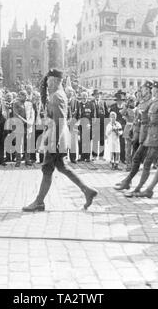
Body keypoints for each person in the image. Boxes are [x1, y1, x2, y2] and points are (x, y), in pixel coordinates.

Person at [22, 69, 98, 212]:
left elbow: (60, 120)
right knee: (62, 167)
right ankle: (87, 190)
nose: (48, 84)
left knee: (47, 169)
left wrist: (53, 142)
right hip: (58, 137)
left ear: (57, 81)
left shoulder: (56, 96)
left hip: (55, 137)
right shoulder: (58, 95)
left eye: (50, 81)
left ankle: (39, 202)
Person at [125, 81, 158, 196]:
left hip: (156, 137)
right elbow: (145, 116)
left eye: (154, 89)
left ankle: (139, 188)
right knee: (144, 159)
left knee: (147, 163)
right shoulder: (154, 102)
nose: (152, 90)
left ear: (157, 90)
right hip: (148, 135)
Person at [114, 81, 153, 191]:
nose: (141, 91)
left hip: (146, 135)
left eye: (144, 89)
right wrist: (132, 129)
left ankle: (130, 182)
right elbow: (137, 118)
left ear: (149, 90)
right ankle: (128, 181)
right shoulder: (142, 102)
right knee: (136, 158)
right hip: (138, 133)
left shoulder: (151, 102)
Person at [110, 90, 127, 164]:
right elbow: (110, 117)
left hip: (123, 127)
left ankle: (122, 158)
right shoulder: (113, 107)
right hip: (115, 127)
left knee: (122, 143)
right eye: (118, 100)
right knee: (114, 143)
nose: (120, 102)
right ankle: (113, 159)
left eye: (121, 100)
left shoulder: (125, 107)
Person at [78, 91, 96, 162]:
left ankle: (88, 156)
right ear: (81, 97)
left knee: (88, 141)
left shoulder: (91, 104)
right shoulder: (78, 104)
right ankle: (81, 156)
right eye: (83, 96)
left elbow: (93, 116)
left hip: (88, 126)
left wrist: (91, 124)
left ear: (87, 97)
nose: (84, 98)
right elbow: (77, 115)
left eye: (85, 96)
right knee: (81, 141)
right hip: (81, 126)